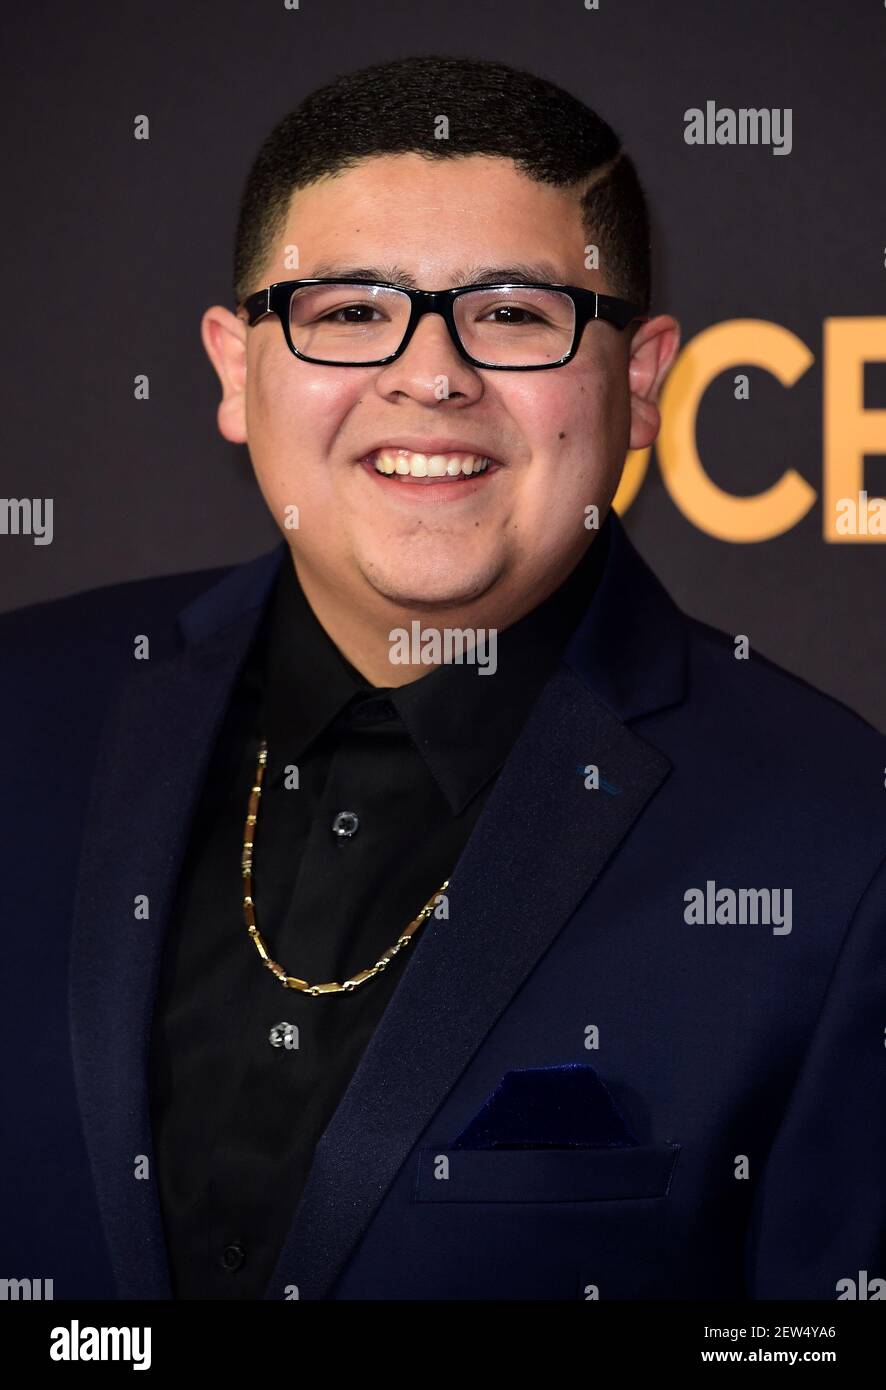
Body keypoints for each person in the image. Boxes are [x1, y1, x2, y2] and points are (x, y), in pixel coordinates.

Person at [2, 54, 884, 1303]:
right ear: (231, 370)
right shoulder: (21, 712)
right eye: (350, 310)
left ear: (638, 383)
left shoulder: (844, 844)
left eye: (514, 313)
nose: (430, 376)